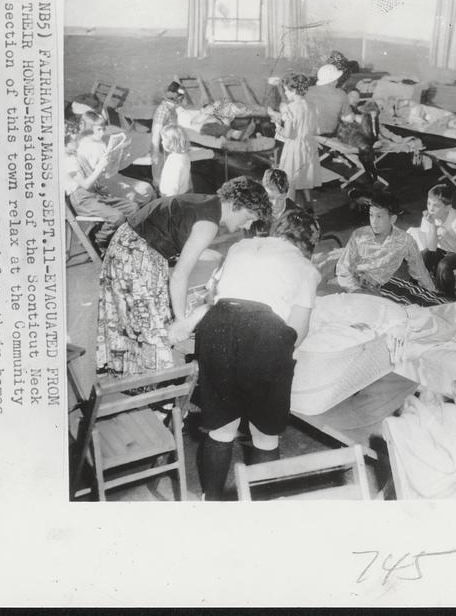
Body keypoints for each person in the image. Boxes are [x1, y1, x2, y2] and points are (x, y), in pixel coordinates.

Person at [181, 210, 323, 500]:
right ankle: (260, 510)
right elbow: (298, 330)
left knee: (220, 431)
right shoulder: (307, 269)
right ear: (309, 244)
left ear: (277, 230)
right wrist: (275, 360)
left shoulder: (239, 246)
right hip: (265, 334)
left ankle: (211, 501)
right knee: (265, 436)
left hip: (218, 326)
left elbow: (212, 296)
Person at [96, 176, 271, 376]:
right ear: (234, 204)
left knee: (147, 318)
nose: (247, 226)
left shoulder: (208, 203)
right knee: (155, 324)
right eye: (248, 217)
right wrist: (182, 322)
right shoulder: (208, 224)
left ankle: (134, 375)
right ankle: (154, 387)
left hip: (129, 243)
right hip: (135, 252)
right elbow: (180, 275)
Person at [335, 191, 446, 307]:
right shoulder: (359, 235)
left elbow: (419, 271)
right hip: (354, 284)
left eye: (379, 216)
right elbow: (343, 269)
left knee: (432, 304)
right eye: (371, 215)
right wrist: (356, 290)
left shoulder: (405, 241)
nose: (373, 221)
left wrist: (432, 292)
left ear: (392, 219)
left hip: (380, 285)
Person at [62, 133, 139, 255]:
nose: (77, 141)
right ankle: (99, 238)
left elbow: (91, 179)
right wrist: (100, 167)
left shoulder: (76, 156)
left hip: (94, 193)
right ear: (65, 144)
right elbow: (85, 184)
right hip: (82, 198)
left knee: (132, 208)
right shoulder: (66, 161)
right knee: (117, 217)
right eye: (74, 140)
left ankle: (107, 236)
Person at [77, 110, 156, 208]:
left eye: (103, 129)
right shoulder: (84, 147)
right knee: (133, 194)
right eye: (98, 130)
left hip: (113, 176)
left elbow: (113, 167)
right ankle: (136, 215)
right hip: (101, 183)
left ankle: (151, 213)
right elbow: (94, 173)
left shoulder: (99, 142)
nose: (102, 133)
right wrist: (104, 165)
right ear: (88, 129)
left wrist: (119, 154)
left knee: (147, 188)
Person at [275, 73, 321, 212]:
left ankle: (288, 212)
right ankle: (310, 209)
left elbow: (288, 134)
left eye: (286, 91)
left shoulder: (290, 109)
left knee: (290, 182)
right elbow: (316, 129)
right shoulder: (312, 106)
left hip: (294, 148)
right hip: (308, 146)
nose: (286, 94)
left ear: (293, 90)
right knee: (305, 180)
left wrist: (278, 127)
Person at [413, 183, 456, 274]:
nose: (431, 209)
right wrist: (432, 225)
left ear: (447, 208)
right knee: (423, 256)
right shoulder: (428, 218)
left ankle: (442, 286)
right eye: (429, 204)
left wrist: (446, 235)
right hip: (441, 251)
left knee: (443, 265)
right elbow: (431, 248)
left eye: (436, 206)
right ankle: (414, 286)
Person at [150, 81, 187, 185]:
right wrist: (155, 153)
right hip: (162, 148)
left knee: (171, 176)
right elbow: (156, 133)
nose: (181, 99)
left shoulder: (172, 109)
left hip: (170, 147)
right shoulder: (163, 110)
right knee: (160, 177)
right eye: (180, 96)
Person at [247, 168, 301, 238]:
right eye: (270, 198)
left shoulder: (298, 216)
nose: (275, 204)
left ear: (286, 195)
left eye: (280, 198)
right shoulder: (252, 215)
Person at [305, 63, 352, 136]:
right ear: (334, 80)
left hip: (308, 135)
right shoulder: (341, 94)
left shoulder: (307, 91)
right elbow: (349, 118)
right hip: (328, 137)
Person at [157, 124, 192, 197]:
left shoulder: (174, 162)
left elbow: (173, 185)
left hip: (169, 197)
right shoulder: (183, 156)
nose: (161, 142)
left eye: (163, 140)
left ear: (171, 142)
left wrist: (168, 200)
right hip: (181, 193)